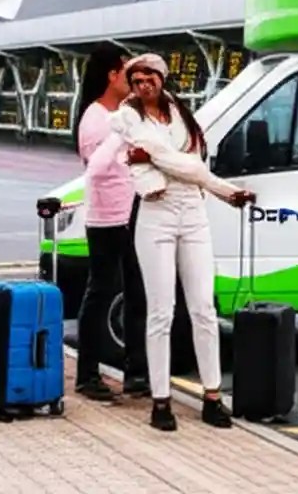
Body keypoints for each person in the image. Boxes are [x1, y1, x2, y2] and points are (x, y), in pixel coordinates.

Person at [93, 52, 254, 431]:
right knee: (161, 312)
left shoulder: (182, 115)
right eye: (136, 80)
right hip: (156, 213)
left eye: (149, 77)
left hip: (193, 213)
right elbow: (182, 163)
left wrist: (157, 158)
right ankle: (160, 400)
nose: (142, 85)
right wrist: (216, 185)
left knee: (202, 309)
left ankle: (213, 396)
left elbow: (183, 160)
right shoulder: (128, 116)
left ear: (163, 79)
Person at [72, 43, 150, 401]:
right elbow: (102, 167)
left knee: (136, 293)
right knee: (101, 292)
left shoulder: (117, 114)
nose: (132, 81)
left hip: (131, 214)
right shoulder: (96, 119)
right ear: (111, 75)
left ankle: (137, 372)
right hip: (108, 219)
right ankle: (87, 375)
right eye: (126, 73)